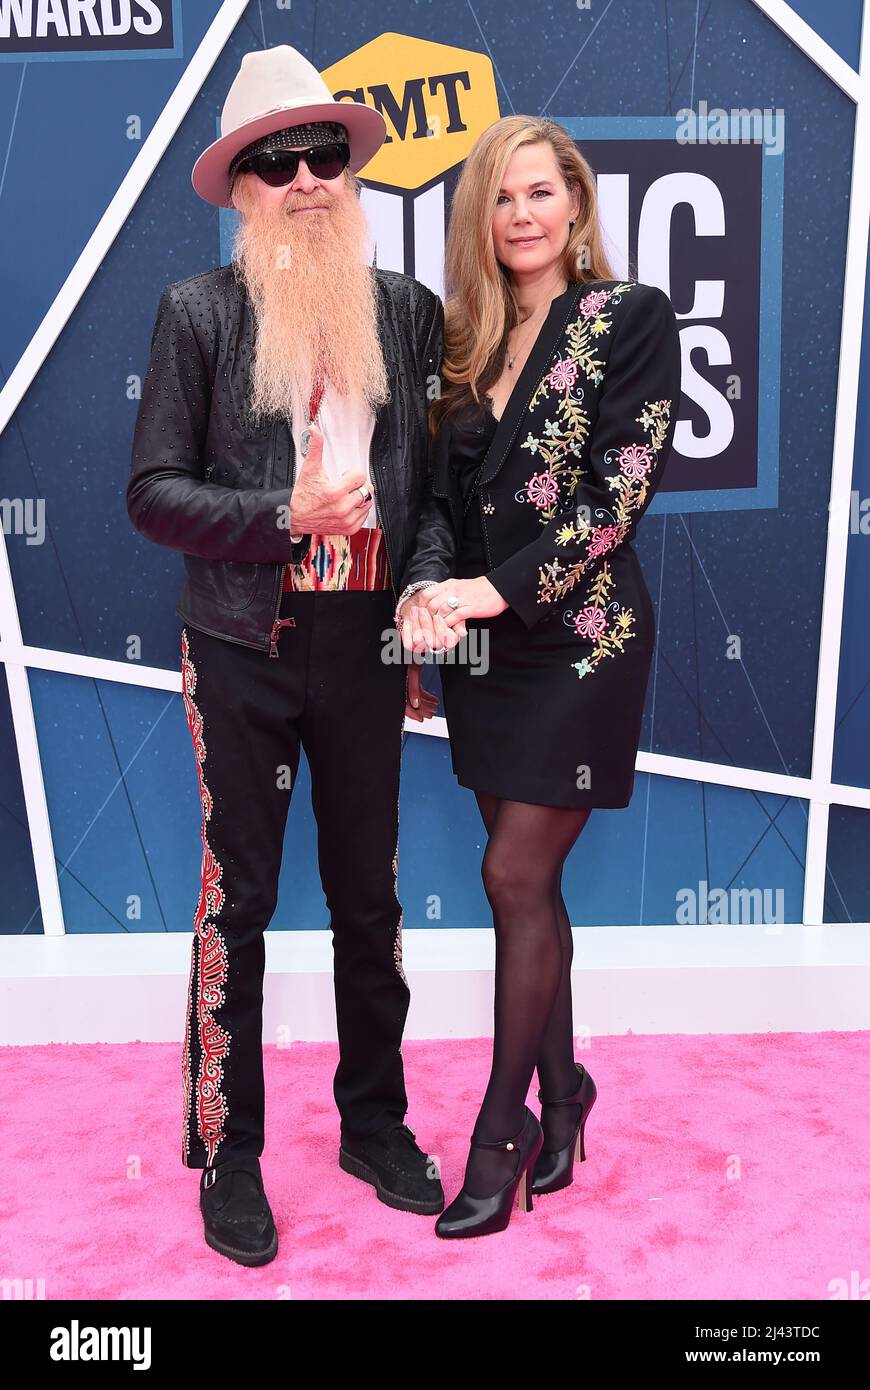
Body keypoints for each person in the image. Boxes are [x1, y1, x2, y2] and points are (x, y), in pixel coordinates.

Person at [127, 44, 459, 1266]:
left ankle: (376, 1126)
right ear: (243, 185)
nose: (309, 178)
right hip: (243, 647)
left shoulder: (406, 314)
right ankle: (229, 1152)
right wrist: (283, 520)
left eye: (325, 154)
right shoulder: (197, 314)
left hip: (368, 647)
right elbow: (152, 493)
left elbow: (427, 494)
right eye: (280, 159)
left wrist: (422, 585)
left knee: (369, 900)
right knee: (242, 906)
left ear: (350, 173)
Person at [393, 115, 682, 1238]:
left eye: (540, 194)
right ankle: (566, 1099)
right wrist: (433, 639)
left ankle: (499, 1130)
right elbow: (439, 516)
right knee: (529, 892)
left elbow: (616, 498)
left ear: (575, 204)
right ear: (483, 216)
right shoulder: (464, 346)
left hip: (584, 639)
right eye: (502, 199)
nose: (522, 215)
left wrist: (490, 596)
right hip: (486, 656)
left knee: (513, 874)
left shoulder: (629, 317)